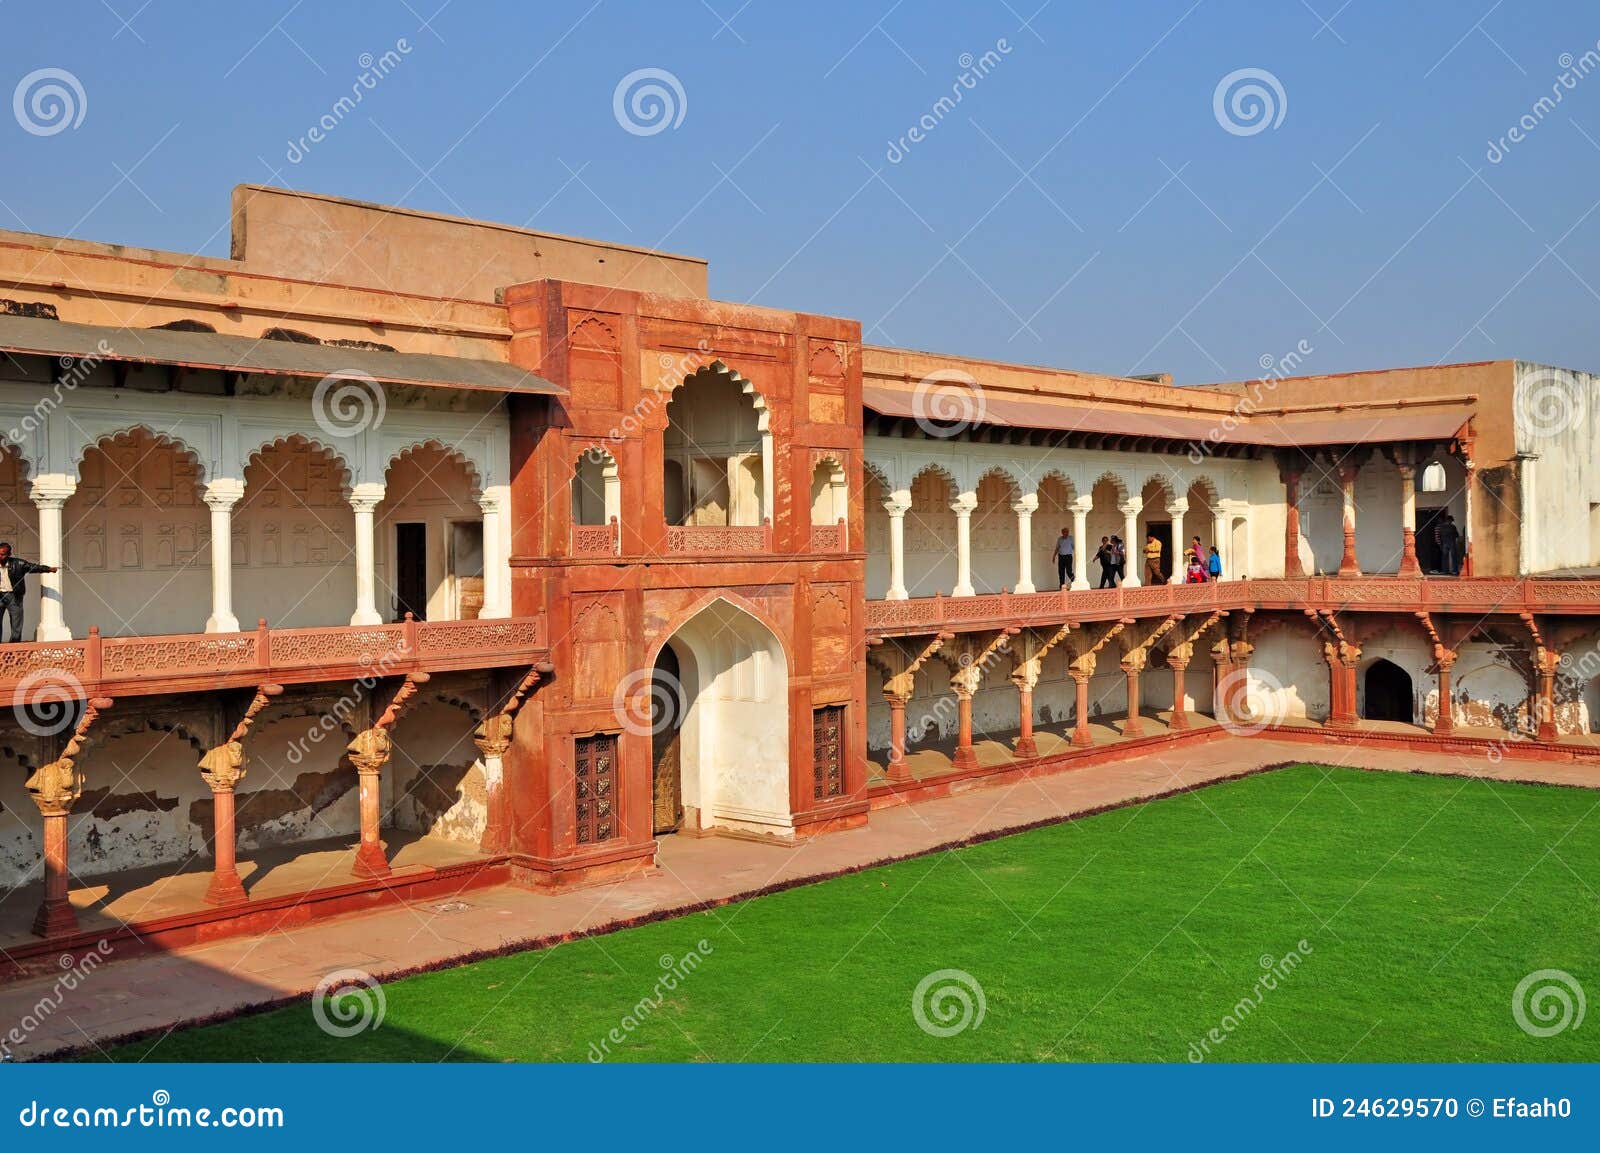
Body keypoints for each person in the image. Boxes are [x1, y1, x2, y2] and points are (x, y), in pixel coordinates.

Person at [0, 541, 58, 643]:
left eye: (3, 554)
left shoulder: (18, 564)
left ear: (9, 555)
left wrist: (48, 569)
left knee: (16, 624)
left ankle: (14, 648)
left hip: (14, 597)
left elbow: (33, 567)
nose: (0, 556)